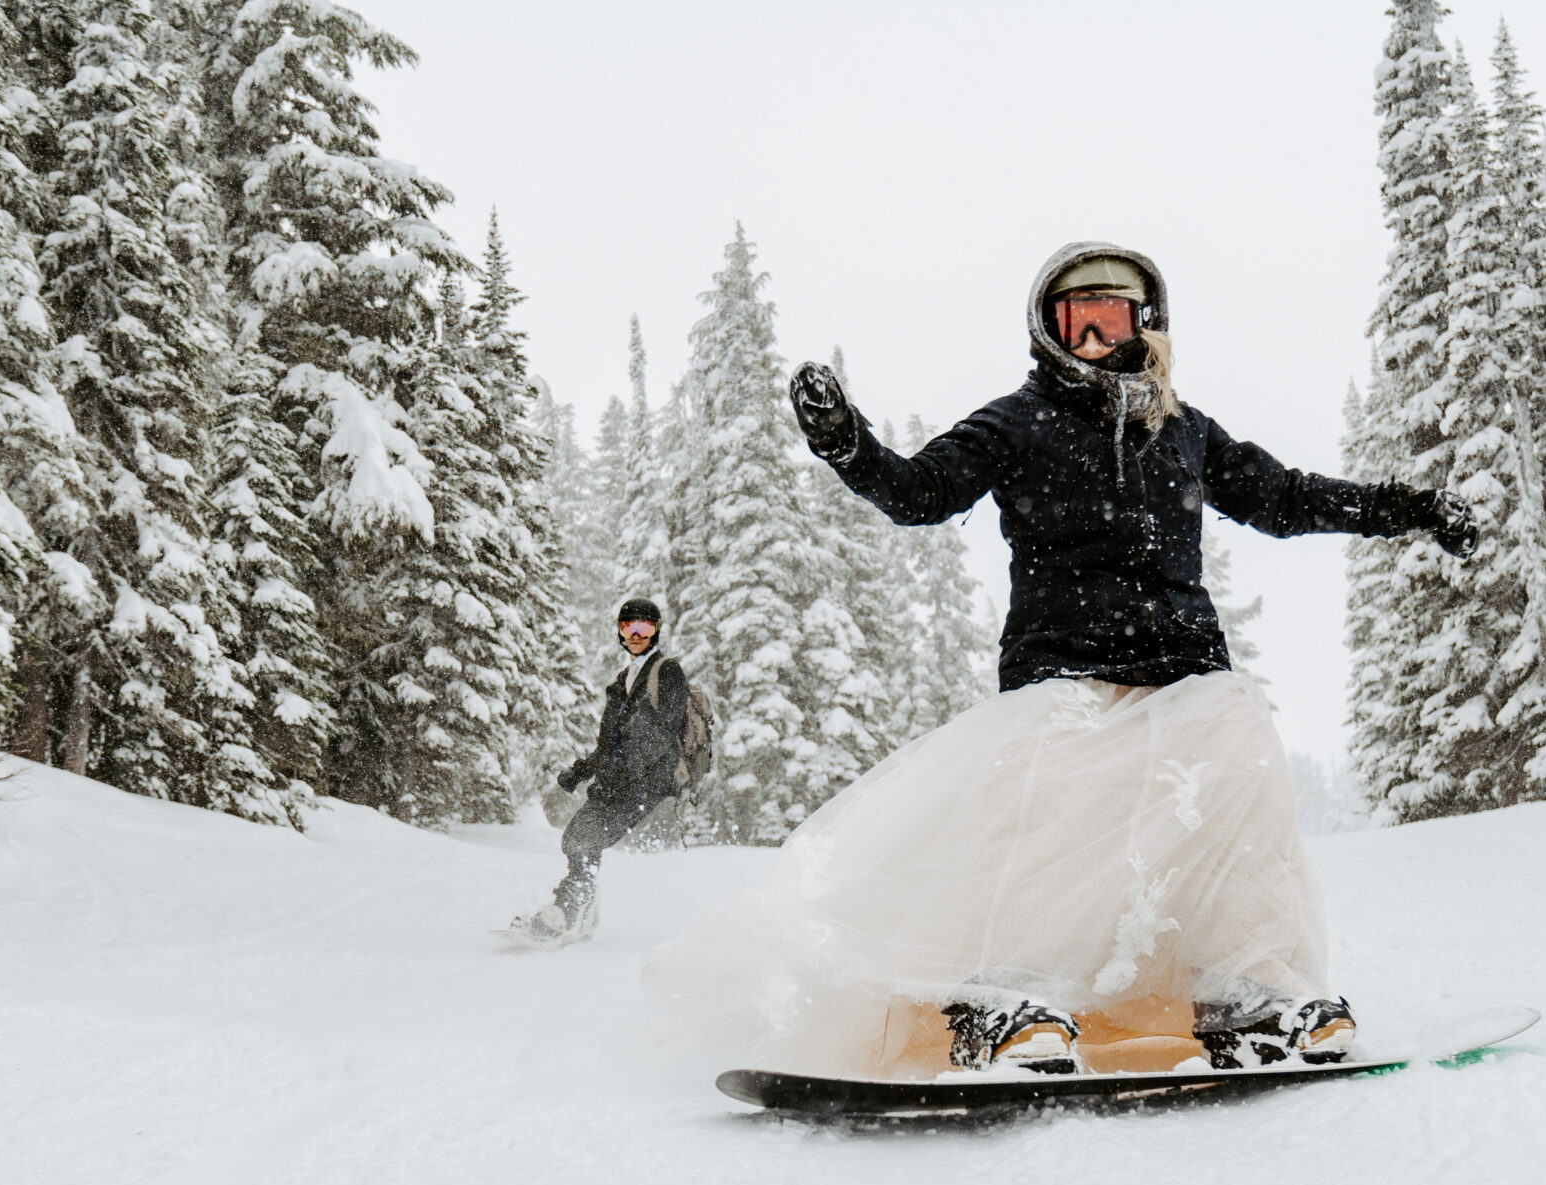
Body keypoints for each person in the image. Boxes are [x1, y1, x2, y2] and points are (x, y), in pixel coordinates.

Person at [647, 242, 1477, 1077]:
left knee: (1239, 750)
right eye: (1073, 319)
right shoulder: (1017, 423)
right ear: (1047, 330)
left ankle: (1248, 999)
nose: (1090, 337)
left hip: (1183, 673)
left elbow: (1285, 497)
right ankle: (1002, 1002)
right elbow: (919, 490)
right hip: (1061, 674)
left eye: (1109, 316)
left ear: (1142, 324)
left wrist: (1407, 507)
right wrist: (847, 445)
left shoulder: (1181, 431)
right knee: (1047, 789)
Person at [511, 598, 691, 945]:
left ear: (656, 632)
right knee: (575, 838)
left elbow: (663, 731)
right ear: (620, 633)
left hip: (644, 783)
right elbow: (611, 742)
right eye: (628, 627)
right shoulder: (625, 680)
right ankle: (582, 909)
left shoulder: (667, 672)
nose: (636, 635)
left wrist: (630, 769)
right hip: (614, 780)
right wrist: (581, 771)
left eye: (644, 628)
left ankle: (567, 911)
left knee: (585, 839)